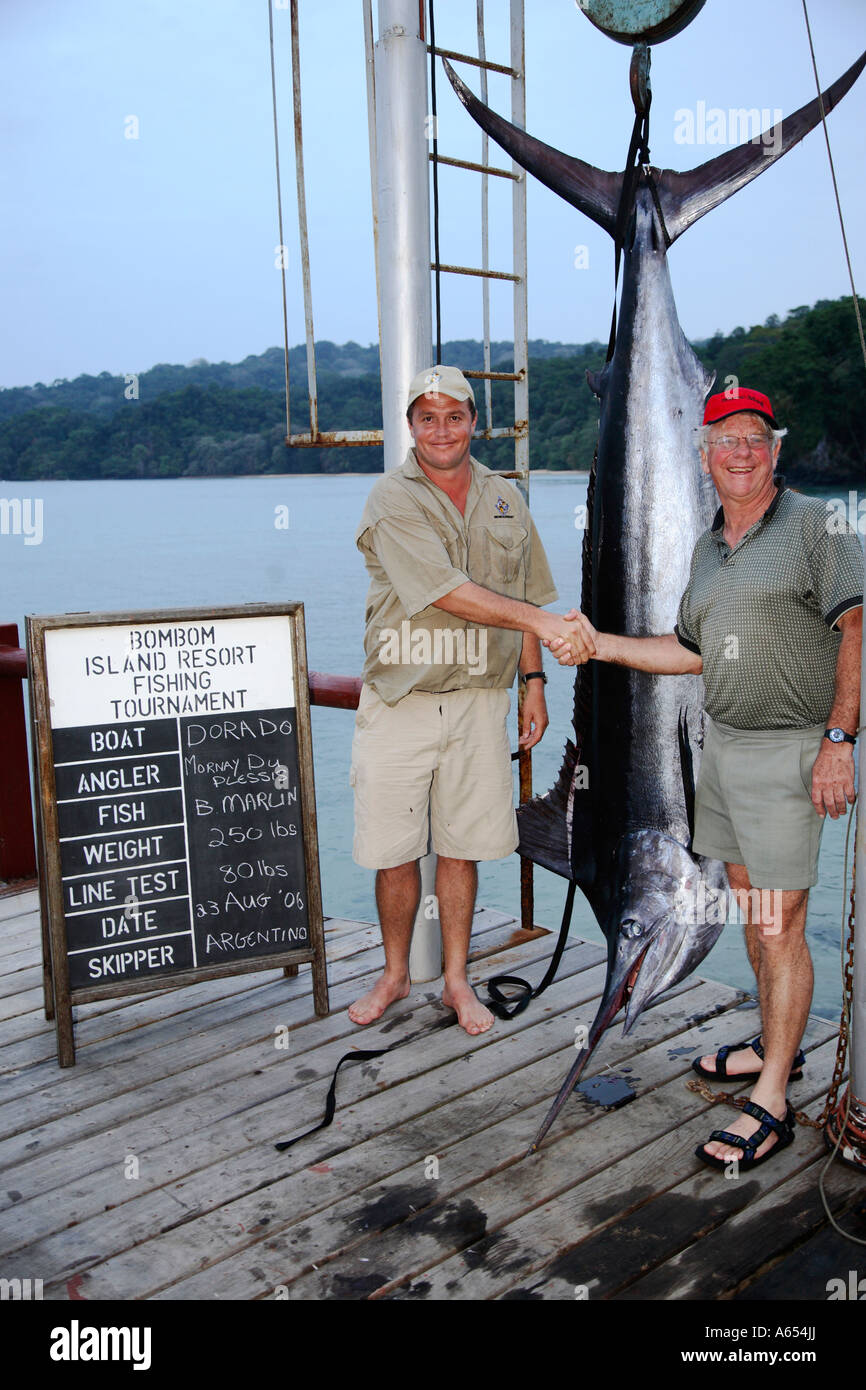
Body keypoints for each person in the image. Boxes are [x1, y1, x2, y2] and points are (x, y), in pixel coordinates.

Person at [550, 386, 863, 1169]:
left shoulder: (820, 526)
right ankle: (771, 1040)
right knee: (757, 910)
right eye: (726, 441)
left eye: (756, 438)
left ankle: (772, 1101)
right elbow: (687, 651)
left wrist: (838, 739)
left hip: (791, 752)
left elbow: (857, 627)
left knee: (776, 926)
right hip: (721, 754)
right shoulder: (707, 546)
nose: (741, 453)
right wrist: (602, 647)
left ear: (776, 449)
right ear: (704, 456)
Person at [349, 365, 591, 1035]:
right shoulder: (389, 499)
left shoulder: (506, 498)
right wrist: (545, 628)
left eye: (454, 415)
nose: (442, 429)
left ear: (474, 422)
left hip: (482, 702)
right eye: (427, 417)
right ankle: (396, 974)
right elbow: (447, 590)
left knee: (461, 849)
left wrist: (534, 682)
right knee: (395, 852)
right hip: (401, 698)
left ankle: (457, 980)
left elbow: (528, 597)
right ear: (410, 426)